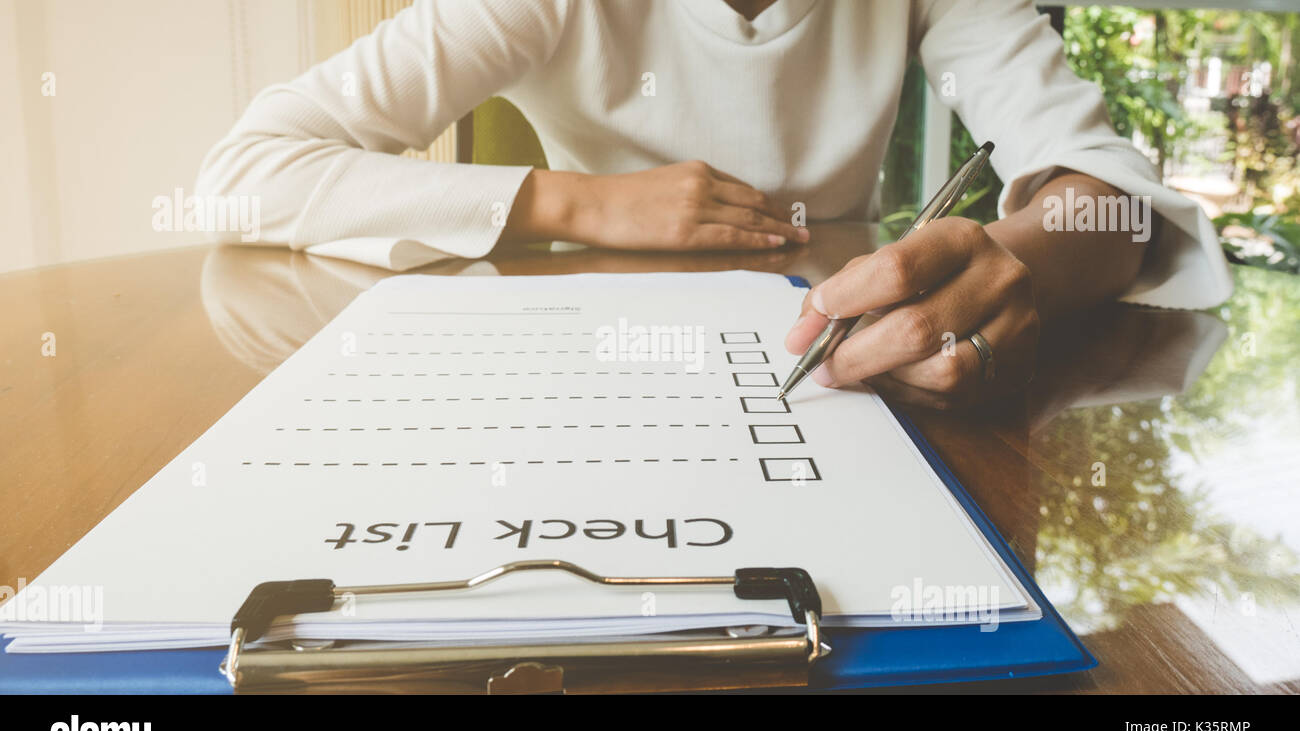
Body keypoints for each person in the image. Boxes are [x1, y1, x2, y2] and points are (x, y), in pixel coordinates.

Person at [196, 0, 1232, 408]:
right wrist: (583, 202)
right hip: (586, 387)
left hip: (838, 381)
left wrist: (1015, 255)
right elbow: (243, 172)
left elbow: (1110, 198)